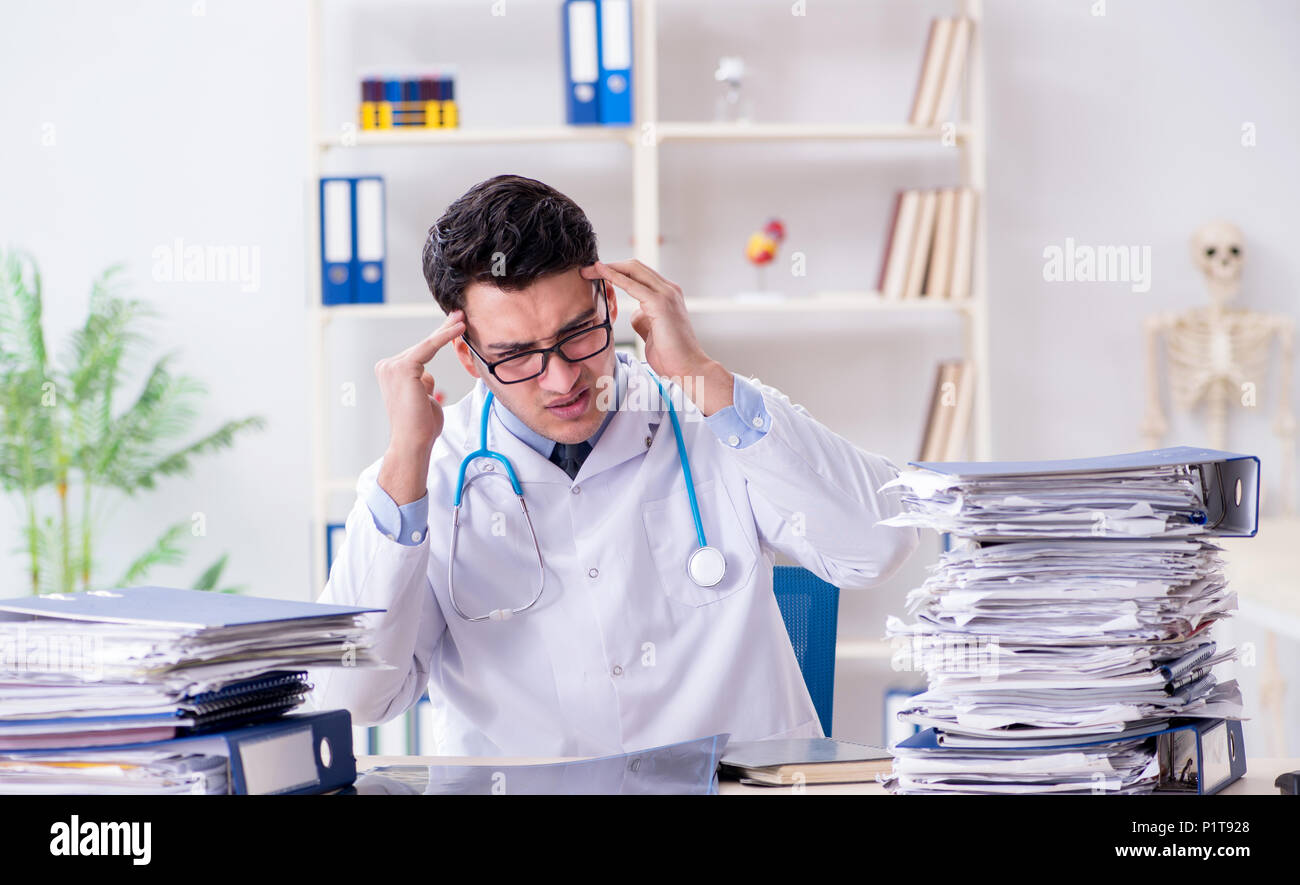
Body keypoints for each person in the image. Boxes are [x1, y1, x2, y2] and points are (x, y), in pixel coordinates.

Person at [310, 173, 920, 756]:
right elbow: (355, 698)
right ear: (468, 359)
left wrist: (703, 377)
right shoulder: (428, 476)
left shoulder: (708, 411)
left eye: (577, 333)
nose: (562, 378)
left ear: (607, 300)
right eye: (517, 355)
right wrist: (406, 458)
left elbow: (878, 547)